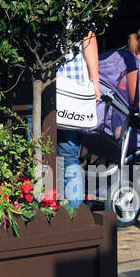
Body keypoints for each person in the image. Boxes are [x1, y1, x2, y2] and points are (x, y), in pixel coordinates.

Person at [54, 28, 101, 208]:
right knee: (67, 155)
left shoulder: (76, 4)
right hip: (68, 87)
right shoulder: (77, 4)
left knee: (64, 154)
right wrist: (94, 81)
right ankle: (72, 215)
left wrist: (95, 81)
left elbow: (89, 37)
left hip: (68, 89)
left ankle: (72, 214)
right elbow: (88, 37)